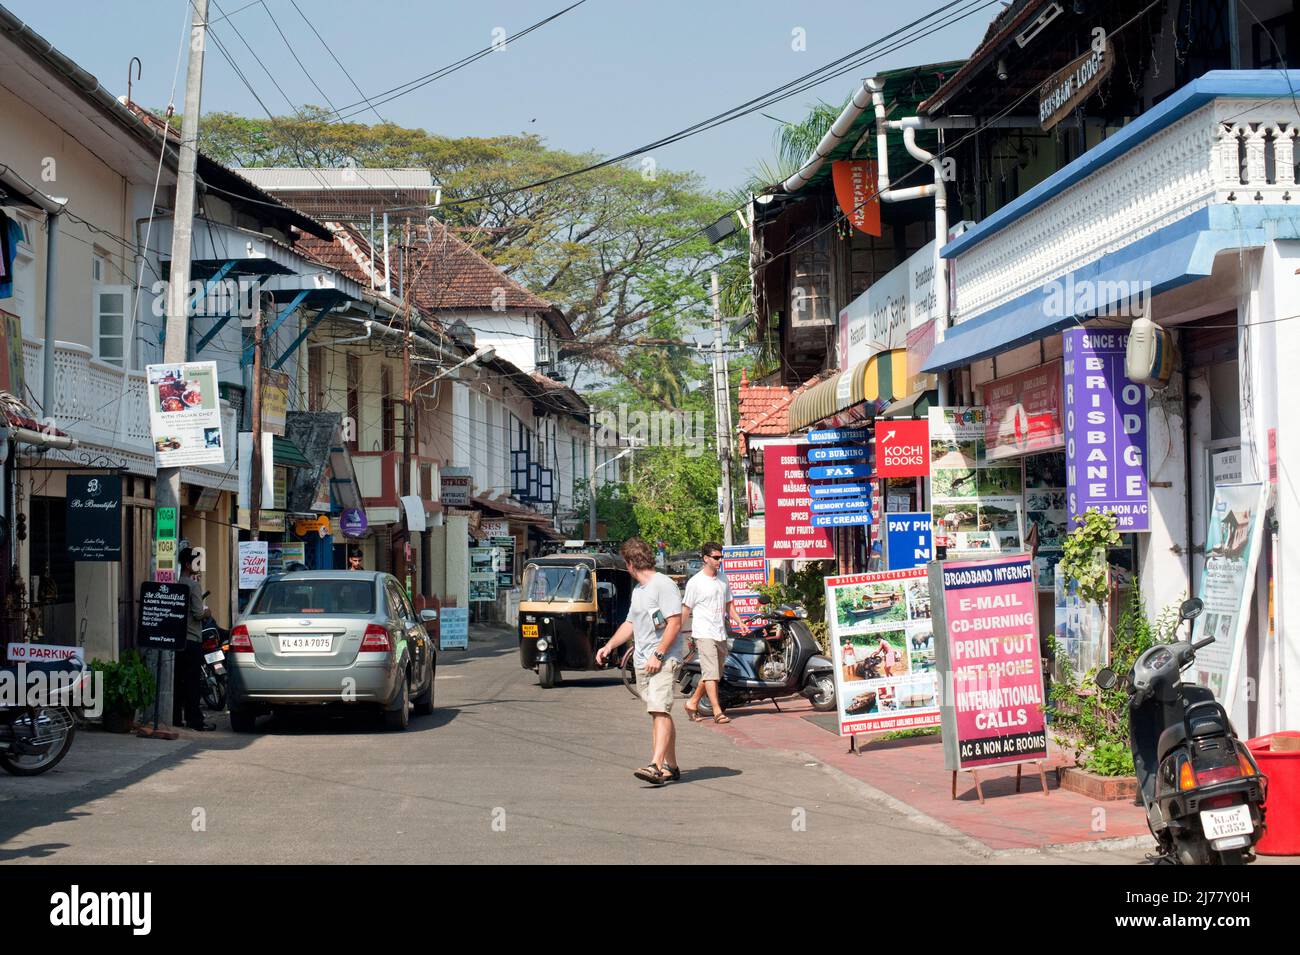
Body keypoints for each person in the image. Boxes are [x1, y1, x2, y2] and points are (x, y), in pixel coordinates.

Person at [594, 537, 684, 785]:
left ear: (631, 563)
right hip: (643, 660)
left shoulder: (663, 585)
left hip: (663, 659)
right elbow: (630, 623)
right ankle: (671, 766)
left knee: (659, 708)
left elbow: (675, 622)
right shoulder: (640, 591)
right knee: (659, 712)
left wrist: (659, 654)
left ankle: (655, 765)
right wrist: (609, 645)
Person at [682, 541, 732, 725]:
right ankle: (717, 711)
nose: (720, 561)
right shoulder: (695, 582)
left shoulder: (723, 579)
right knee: (711, 674)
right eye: (716, 557)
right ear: (706, 558)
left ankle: (692, 702)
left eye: (721, 557)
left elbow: (729, 604)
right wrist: (676, 630)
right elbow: (686, 608)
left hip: (720, 632)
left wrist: (740, 622)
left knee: (713, 674)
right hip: (704, 632)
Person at [177, 548, 215, 731]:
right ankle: (195, 720)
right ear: (187, 565)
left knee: (178, 682)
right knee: (192, 683)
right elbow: (199, 614)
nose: (197, 566)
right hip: (192, 640)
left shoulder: (177, 584)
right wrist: (207, 611)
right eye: (195, 562)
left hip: (178, 642)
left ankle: (176, 718)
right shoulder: (193, 586)